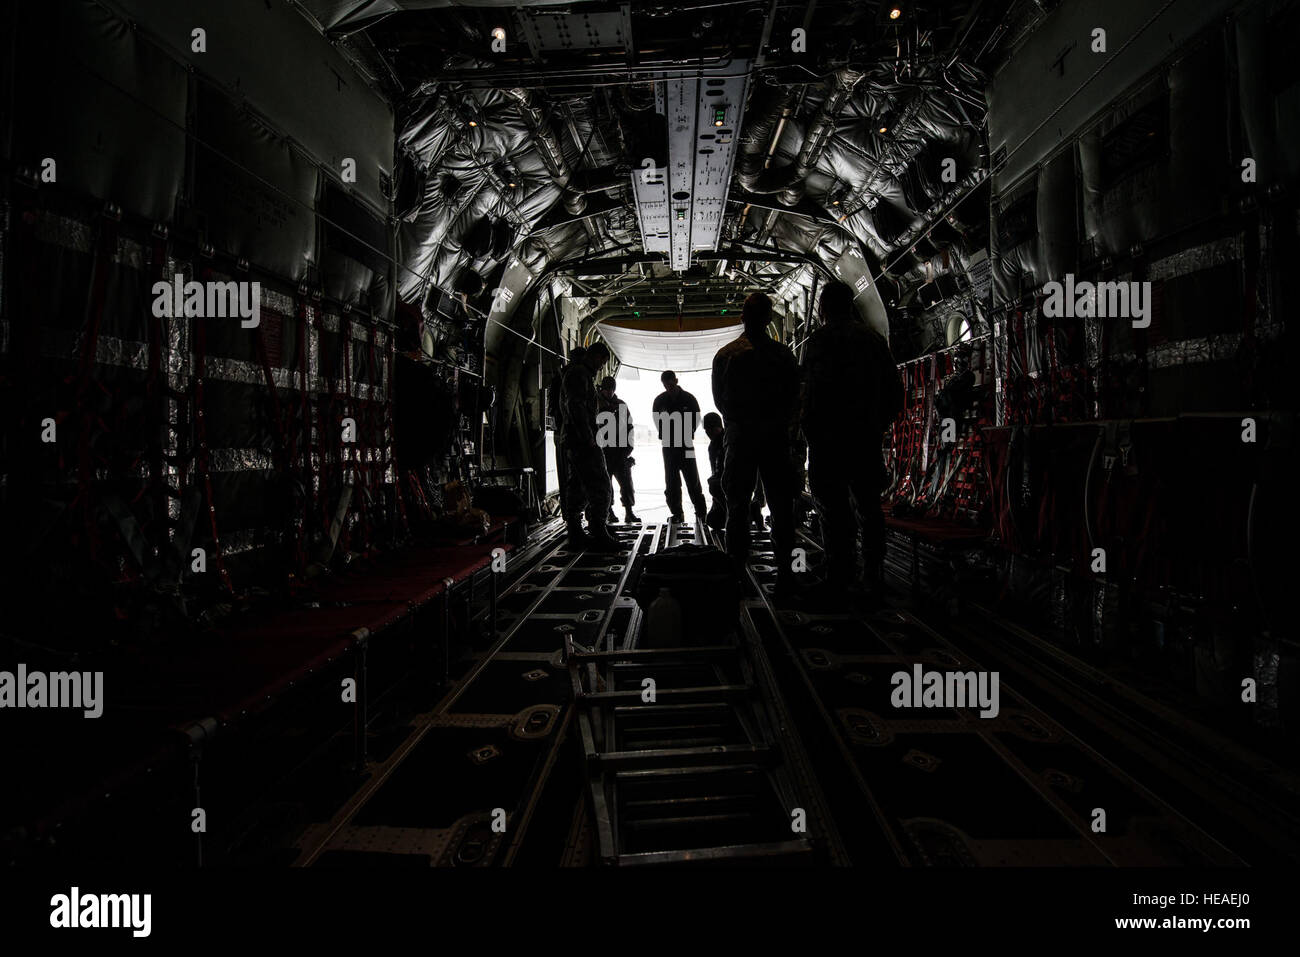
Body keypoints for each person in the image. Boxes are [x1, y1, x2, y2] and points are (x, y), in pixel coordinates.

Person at [801, 280, 904, 602]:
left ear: (823, 309)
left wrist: (807, 433)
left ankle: (839, 575)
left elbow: (807, 393)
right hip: (864, 438)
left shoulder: (818, 341)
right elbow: (894, 392)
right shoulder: (872, 340)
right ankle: (872, 575)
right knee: (870, 509)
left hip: (828, 441)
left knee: (833, 511)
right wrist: (876, 425)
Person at [711, 292, 800, 599]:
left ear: (743, 317)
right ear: (768, 318)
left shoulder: (726, 355)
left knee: (736, 506)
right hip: (775, 439)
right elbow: (794, 398)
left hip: (741, 438)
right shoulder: (783, 355)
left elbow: (719, 401)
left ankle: (736, 575)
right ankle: (787, 575)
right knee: (781, 507)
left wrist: (740, 421)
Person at [561, 343, 621, 551]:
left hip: (574, 440)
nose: (601, 366)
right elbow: (575, 406)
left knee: (577, 486)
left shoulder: (578, 374)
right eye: (602, 361)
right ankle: (598, 530)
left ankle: (576, 532)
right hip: (582, 441)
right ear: (595, 356)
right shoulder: (579, 374)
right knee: (601, 486)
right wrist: (588, 437)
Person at [652, 370, 708, 524]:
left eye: (670, 384)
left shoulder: (689, 399)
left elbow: (696, 418)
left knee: (693, 480)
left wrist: (686, 433)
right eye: (665, 385)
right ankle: (677, 513)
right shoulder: (660, 400)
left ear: (676, 381)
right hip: (669, 446)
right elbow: (657, 420)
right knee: (671, 482)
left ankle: (701, 513)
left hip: (686, 445)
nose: (668, 387)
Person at [597, 376, 640, 525]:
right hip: (603, 453)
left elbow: (630, 427)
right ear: (602, 389)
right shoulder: (596, 405)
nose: (609, 392)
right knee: (605, 486)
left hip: (620, 452)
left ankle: (629, 512)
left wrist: (628, 448)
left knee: (627, 484)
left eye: (612, 389)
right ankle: (609, 512)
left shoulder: (621, 405)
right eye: (607, 389)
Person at [551, 347, 585, 530]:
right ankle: (573, 518)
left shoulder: (562, 376)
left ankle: (571, 517)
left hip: (564, 433)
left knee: (570, 478)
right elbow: (574, 408)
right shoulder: (573, 377)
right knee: (573, 478)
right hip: (572, 434)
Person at [702, 412, 727, 532]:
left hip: (731, 485)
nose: (708, 433)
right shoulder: (713, 445)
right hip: (722, 485)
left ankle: (743, 512)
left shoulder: (726, 442)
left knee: (714, 485)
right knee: (712, 520)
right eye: (706, 430)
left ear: (719, 427)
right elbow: (715, 469)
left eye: (711, 429)